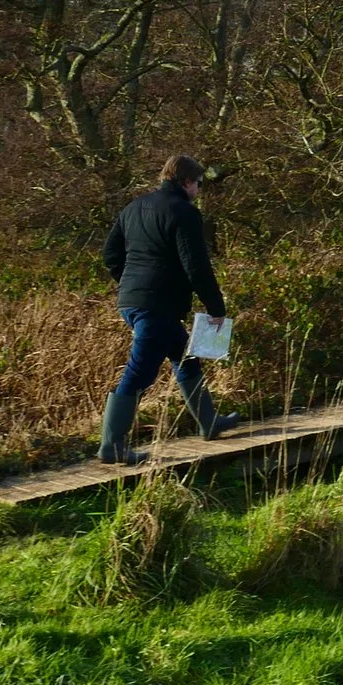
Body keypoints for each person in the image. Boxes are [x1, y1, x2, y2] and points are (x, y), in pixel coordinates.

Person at [97, 153, 242, 464]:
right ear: (187, 181)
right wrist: (216, 306)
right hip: (156, 304)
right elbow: (196, 266)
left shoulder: (132, 208)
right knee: (139, 372)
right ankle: (112, 446)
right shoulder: (184, 212)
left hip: (134, 300)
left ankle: (209, 422)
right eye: (199, 184)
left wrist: (129, 282)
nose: (200, 190)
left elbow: (110, 253)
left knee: (185, 357)